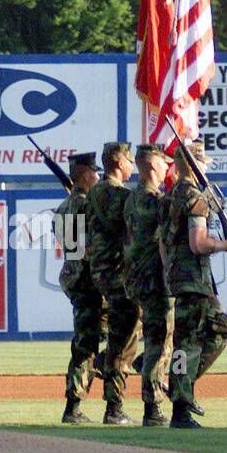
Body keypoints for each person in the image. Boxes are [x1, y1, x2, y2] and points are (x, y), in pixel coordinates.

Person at [164, 139, 227, 428]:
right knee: (187, 346)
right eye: (203, 163)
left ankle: (179, 388)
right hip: (195, 280)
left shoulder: (171, 195)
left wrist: (169, 272)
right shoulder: (195, 198)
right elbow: (198, 244)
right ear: (196, 165)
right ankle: (180, 406)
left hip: (183, 279)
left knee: (219, 329)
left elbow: (163, 242)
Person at [85, 141, 141, 425]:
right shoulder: (120, 196)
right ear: (119, 162)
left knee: (129, 332)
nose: (133, 167)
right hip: (119, 275)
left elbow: (76, 239)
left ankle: (105, 365)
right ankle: (114, 407)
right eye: (130, 161)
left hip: (100, 273)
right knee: (124, 338)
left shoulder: (92, 193)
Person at [123, 144, 175, 427]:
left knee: (155, 341)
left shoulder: (130, 198)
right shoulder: (155, 201)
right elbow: (164, 241)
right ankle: (153, 409)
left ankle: (149, 399)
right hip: (155, 280)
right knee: (160, 343)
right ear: (154, 167)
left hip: (135, 278)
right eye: (165, 164)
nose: (168, 169)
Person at [54, 152, 103, 423]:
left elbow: (68, 243)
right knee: (87, 344)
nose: (97, 176)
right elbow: (82, 248)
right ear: (85, 174)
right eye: (94, 172)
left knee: (91, 341)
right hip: (89, 281)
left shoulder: (66, 206)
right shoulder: (84, 205)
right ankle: (74, 407)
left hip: (76, 279)